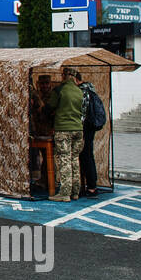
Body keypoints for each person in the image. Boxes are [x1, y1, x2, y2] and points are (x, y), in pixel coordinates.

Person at [45, 67, 85, 202]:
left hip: (63, 129)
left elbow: (50, 107)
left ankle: (64, 193)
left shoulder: (60, 90)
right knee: (74, 159)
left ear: (65, 76)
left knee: (64, 160)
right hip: (78, 130)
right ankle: (75, 191)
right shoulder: (79, 91)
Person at [79, 74, 101, 198]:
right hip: (91, 127)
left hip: (85, 128)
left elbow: (82, 112)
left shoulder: (83, 92)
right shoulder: (92, 91)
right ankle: (91, 186)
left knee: (86, 156)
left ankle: (91, 187)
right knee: (88, 155)